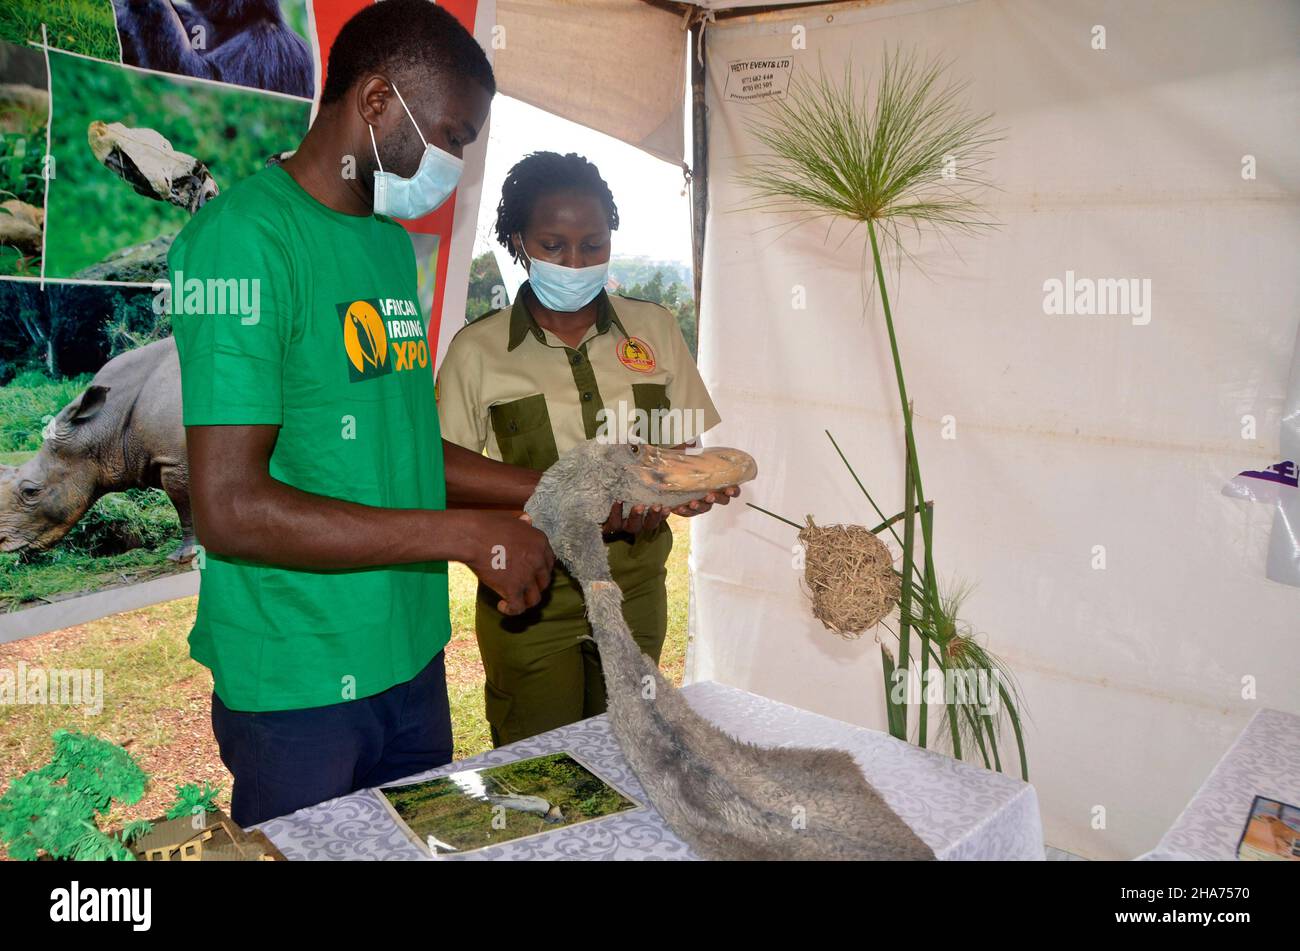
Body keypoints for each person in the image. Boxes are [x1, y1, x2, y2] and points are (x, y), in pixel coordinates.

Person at [169, 0, 558, 827]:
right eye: (452, 135)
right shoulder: (245, 242)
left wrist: (553, 485)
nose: (455, 160)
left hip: (410, 660)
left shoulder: (386, 247)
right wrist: (461, 535)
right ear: (376, 102)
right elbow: (230, 508)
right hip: (301, 683)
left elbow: (405, 441)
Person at [436, 151, 738, 747]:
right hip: (530, 594)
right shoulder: (477, 352)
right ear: (520, 241)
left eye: (593, 244)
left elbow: (679, 448)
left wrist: (683, 488)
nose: (575, 262)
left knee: (637, 757)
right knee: (544, 769)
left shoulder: (654, 331)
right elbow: (444, 476)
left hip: (637, 588)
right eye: (553, 245)